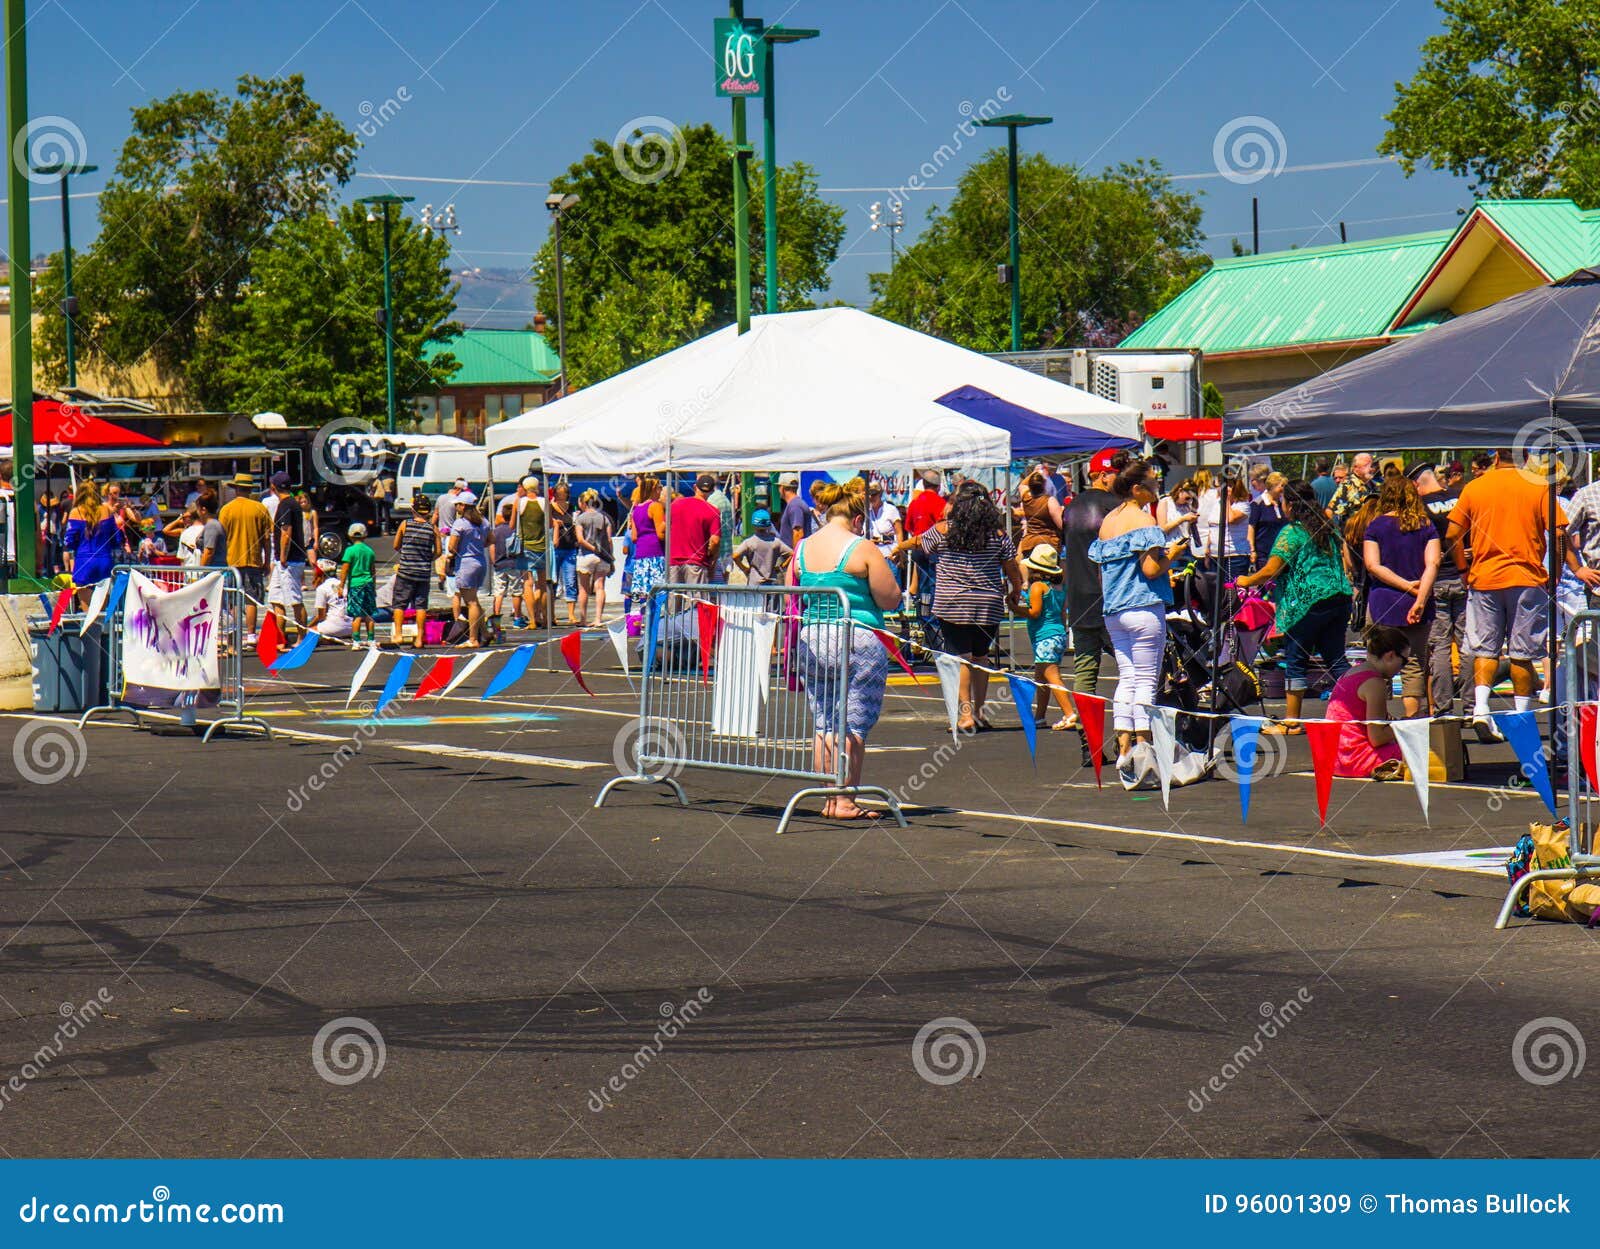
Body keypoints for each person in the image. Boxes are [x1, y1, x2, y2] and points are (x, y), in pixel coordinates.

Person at [1447, 448, 1591, 741]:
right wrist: (1559, 571)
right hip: (1527, 579)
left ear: (1496, 459)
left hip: (1485, 578)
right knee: (1522, 653)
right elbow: (1559, 533)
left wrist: (1463, 570)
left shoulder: (1475, 487)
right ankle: (1521, 715)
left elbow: (1452, 534)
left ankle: (1481, 709)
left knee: (1485, 650)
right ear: (1526, 458)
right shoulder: (1538, 487)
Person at [787, 479, 902, 820]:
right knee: (853, 722)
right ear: (857, 519)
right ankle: (846, 800)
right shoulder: (861, 547)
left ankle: (828, 799)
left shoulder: (803, 547)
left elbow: (793, 588)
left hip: (813, 638)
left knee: (824, 722)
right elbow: (890, 598)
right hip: (857, 639)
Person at [1090, 459, 1185, 773]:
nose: (1157, 487)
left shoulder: (1108, 520)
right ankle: (1144, 746)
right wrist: (1173, 554)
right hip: (1142, 606)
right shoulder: (1144, 519)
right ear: (1137, 489)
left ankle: (1124, 748)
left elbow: (1102, 573)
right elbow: (1151, 569)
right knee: (1145, 680)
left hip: (1114, 610)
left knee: (1127, 678)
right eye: (1153, 483)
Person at [1237, 479, 1352, 733]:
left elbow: (1271, 569)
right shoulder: (1327, 527)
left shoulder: (1292, 532)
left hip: (1307, 602)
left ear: (1289, 504)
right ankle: (1362, 711)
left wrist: (1246, 580)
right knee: (1336, 660)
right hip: (1339, 597)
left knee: (1296, 660)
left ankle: (1292, 722)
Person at [920, 480, 1021, 731]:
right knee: (980, 657)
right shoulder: (998, 535)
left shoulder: (943, 530)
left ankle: (965, 715)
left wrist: (945, 516)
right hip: (988, 603)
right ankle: (979, 712)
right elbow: (1011, 565)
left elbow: (924, 547)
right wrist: (1016, 589)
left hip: (953, 602)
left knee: (960, 657)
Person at [1062, 448, 1129, 764]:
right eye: (1118, 473)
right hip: (1112, 599)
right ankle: (1127, 738)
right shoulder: (1116, 507)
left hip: (1079, 598)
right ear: (1103, 475)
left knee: (1085, 672)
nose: (1122, 478)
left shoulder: (1071, 508)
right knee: (1132, 671)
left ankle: (1089, 744)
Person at [1362, 473, 1441, 717]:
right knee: (1414, 665)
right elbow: (1433, 563)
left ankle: (1378, 719)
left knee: (1377, 663)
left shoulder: (1376, 526)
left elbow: (1372, 565)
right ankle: (1412, 722)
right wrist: (1420, 598)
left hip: (1383, 602)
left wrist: (1405, 585)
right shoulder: (1426, 525)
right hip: (1417, 604)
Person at [1326, 626, 1412, 780]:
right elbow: (1377, 737)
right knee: (1422, 748)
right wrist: (1408, 726)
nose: (1401, 669)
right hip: (1357, 760)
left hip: (1334, 760)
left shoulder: (1349, 673)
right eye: (1404, 662)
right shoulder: (1374, 683)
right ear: (1390, 655)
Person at [1021, 544, 1076, 730]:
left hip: (1045, 636)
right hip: (1057, 634)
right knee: (1041, 677)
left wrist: (1014, 607)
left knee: (1052, 675)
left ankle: (1069, 713)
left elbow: (1034, 612)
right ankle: (1040, 716)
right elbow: (1062, 612)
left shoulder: (1038, 586)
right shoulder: (1059, 587)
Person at [219, 472, 271, 643]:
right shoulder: (259, 508)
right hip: (253, 560)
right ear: (250, 490)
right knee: (251, 599)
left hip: (231, 561)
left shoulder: (226, 509)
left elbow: (222, 537)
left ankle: (235, 634)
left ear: (236, 489)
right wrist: (267, 561)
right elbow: (266, 539)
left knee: (234, 599)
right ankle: (251, 635)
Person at [390, 495, 438, 650]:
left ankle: (398, 634)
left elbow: (396, 545)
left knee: (399, 603)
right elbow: (438, 551)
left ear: (413, 510)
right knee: (421, 605)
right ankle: (419, 638)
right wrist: (428, 558)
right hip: (423, 572)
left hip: (406, 571)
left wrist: (405, 553)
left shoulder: (405, 524)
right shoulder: (432, 528)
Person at [61, 479, 118, 608]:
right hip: (104, 560)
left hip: (84, 561)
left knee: (87, 612)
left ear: (80, 494)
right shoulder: (106, 510)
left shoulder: (76, 512)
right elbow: (116, 538)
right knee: (101, 610)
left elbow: (69, 540)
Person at [268, 474, 309, 635]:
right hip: (284, 560)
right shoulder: (291, 503)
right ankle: (280, 636)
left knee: (295, 600)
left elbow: (286, 532)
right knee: (275, 597)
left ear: (273, 487)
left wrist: (283, 556)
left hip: (289, 560)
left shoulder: (286, 504)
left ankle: (302, 637)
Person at [449, 493, 491, 647]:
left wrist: (458, 551)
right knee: (475, 600)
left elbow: (451, 547)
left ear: (463, 506)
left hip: (466, 563)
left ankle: (473, 639)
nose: (456, 507)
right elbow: (491, 539)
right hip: (480, 560)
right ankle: (484, 632)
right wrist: (477, 545)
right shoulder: (484, 521)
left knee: (470, 602)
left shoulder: (460, 523)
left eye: (457, 504)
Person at [668, 473, 722, 591]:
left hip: (674, 561)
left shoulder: (676, 504)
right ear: (712, 491)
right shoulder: (713, 511)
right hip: (697, 562)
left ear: (694, 487)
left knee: (674, 600)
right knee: (696, 600)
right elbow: (715, 540)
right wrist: (712, 557)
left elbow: (664, 529)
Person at [574, 488, 614, 627]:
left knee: (583, 588)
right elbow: (609, 540)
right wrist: (609, 557)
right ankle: (598, 619)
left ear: (584, 503)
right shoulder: (604, 517)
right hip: (602, 556)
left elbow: (580, 539)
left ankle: (583, 619)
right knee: (600, 587)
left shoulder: (580, 518)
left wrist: (592, 548)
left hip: (585, 555)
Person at [1199, 469, 1250, 578]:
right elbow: (1212, 526)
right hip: (1215, 555)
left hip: (1235, 556)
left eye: (1228, 486)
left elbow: (1231, 519)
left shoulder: (1242, 504)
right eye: (1219, 487)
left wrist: (1226, 499)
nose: (1221, 490)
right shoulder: (1216, 503)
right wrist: (1207, 549)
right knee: (1214, 586)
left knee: (1232, 587)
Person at [627, 477, 668, 613]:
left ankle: (644, 619)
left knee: (643, 593)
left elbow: (634, 537)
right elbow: (660, 533)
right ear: (653, 489)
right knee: (659, 593)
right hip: (656, 553)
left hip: (641, 555)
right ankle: (657, 621)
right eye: (659, 487)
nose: (661, 490)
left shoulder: (636, 510)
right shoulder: (655, 506)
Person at [1015, 467, 1064, 573]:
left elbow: (1022, 485)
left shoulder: (1026, 498)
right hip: (1049, 544)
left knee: (1033, 576)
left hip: (1030, 542)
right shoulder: (1049, 501)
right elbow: (1062, 525)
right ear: (1044, 485)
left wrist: (1035, 472)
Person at [517, 475, 548, 628]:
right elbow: (549, 523)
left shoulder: (520, 502)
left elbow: (513, 524)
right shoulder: (544, 502)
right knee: (542, 584)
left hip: (525, 546)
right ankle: (545, 617)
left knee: (527, 584)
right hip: (542, 546)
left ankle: (532, 620)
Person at [732, 508, 791, 586]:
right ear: (769, 525)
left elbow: (735, 556)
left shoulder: (749, 542)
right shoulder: (776, 542)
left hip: (754, 584)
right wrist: (781, 567)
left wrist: (744, 569)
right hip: (772, 584)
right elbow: (792, 554)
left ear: (753, 525)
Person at [339, 523, 377, 642]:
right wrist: (374, 587)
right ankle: (371, 640)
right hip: (368, 583)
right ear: (365, 535)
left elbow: (345, 569)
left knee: (357, 615)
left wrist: (341, 585)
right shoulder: (370, 551)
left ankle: (356, 640)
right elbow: (373, 570)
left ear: (350, 535)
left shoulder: (349, 550)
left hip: (355, 584)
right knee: (369, 614)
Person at [548, 482, 579, 624]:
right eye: (559, 493)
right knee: (553, 581)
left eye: (564, 493)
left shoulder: (572, 508)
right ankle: (551, 614)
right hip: (555, 548)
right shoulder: (549, 508)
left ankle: (571, 615)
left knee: (570, 581)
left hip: (570, 547)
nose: (561, 496)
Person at [490, 500, 523, 628]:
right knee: (516, 592)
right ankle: (517, 618)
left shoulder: (496, 531)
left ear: (503, 515)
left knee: (499, 592)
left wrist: (494, 561)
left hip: (499, 564)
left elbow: (492, 548)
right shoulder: (516, 530)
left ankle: (496, 619)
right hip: (514, 564)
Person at [1247, 472, 1288, 570]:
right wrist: (1252, 550)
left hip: (1281, 553)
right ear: (1272, 485)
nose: (1283, 489)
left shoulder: (1282, 504)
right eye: (1281, 486)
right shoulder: (1258, 504)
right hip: (1263, 554)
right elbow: (1251, 527)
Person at [1328, 451, 1380, 528]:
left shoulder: (1375, 485)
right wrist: (1340, 532)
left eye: (1373, 465)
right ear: (1356, 468)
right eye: (1367, 466)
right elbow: (1330, 511)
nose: (1372, 469)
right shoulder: (1348, 486)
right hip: (1356, 533)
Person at [865, 481, 904, 581]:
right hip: (872, 556)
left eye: (874, 494)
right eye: (869, 494)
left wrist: (899, 551)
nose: (871, 497)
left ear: (880, 494)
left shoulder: (891, 509)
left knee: (893, 584)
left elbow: (899, 533)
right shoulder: (866, 511)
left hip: (889, 555)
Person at [310, 559, 352, 639]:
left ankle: (330, 638)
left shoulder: (322, 588)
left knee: (309, 632)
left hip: (335, 625)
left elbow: (321, 616)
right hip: (351, 626)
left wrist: (307, 626)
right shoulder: (343, 584)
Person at [193, 492, 225, 569]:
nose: (197, 512)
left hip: (215, 571)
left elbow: (208, 552)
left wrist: (200, 571)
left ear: (203, 510)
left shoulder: (211, 525)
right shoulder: (212, 524)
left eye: (197, 509)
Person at [778, 476, 812, 550]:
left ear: (782, 488)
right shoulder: (796, 503)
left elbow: (798, 533)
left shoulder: (795, 505)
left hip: (793, 553)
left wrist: (795, 555)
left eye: (778, 487)